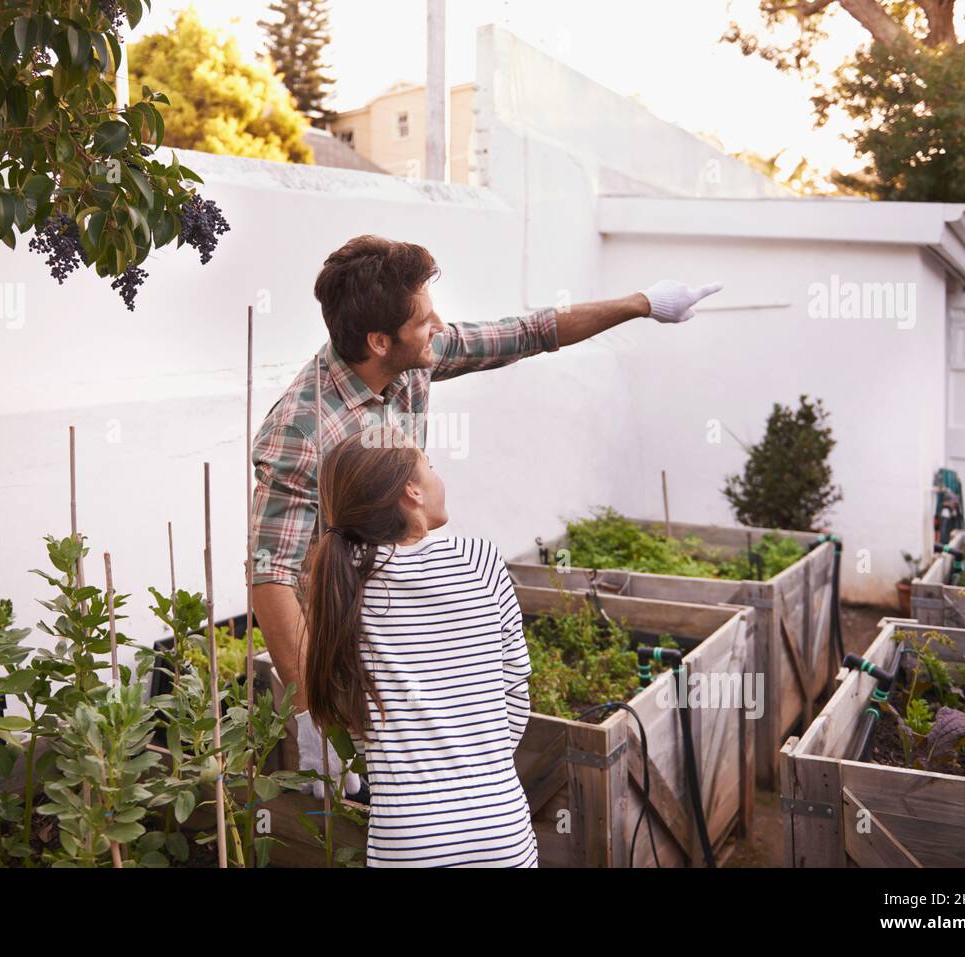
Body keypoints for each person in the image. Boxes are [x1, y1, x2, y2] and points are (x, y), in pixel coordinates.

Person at [250, 233, 721, 788]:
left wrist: (641, 303)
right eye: (425, 319)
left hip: (405, 621)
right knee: (362, 812)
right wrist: (313, 718)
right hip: (344, 646)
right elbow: (272, 577)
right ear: (379, 340)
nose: (441, 326)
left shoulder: (412, 360)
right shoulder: (302, 427)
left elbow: (526, 334)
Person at [303, 426, 536, 866]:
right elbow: (515, 694)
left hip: (407, 841)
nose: (437, 475)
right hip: (500, 827)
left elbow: (353, 721)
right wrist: (481, 768)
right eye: (429, 466)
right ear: (411, 491)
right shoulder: (480, 562)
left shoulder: (344, 586)